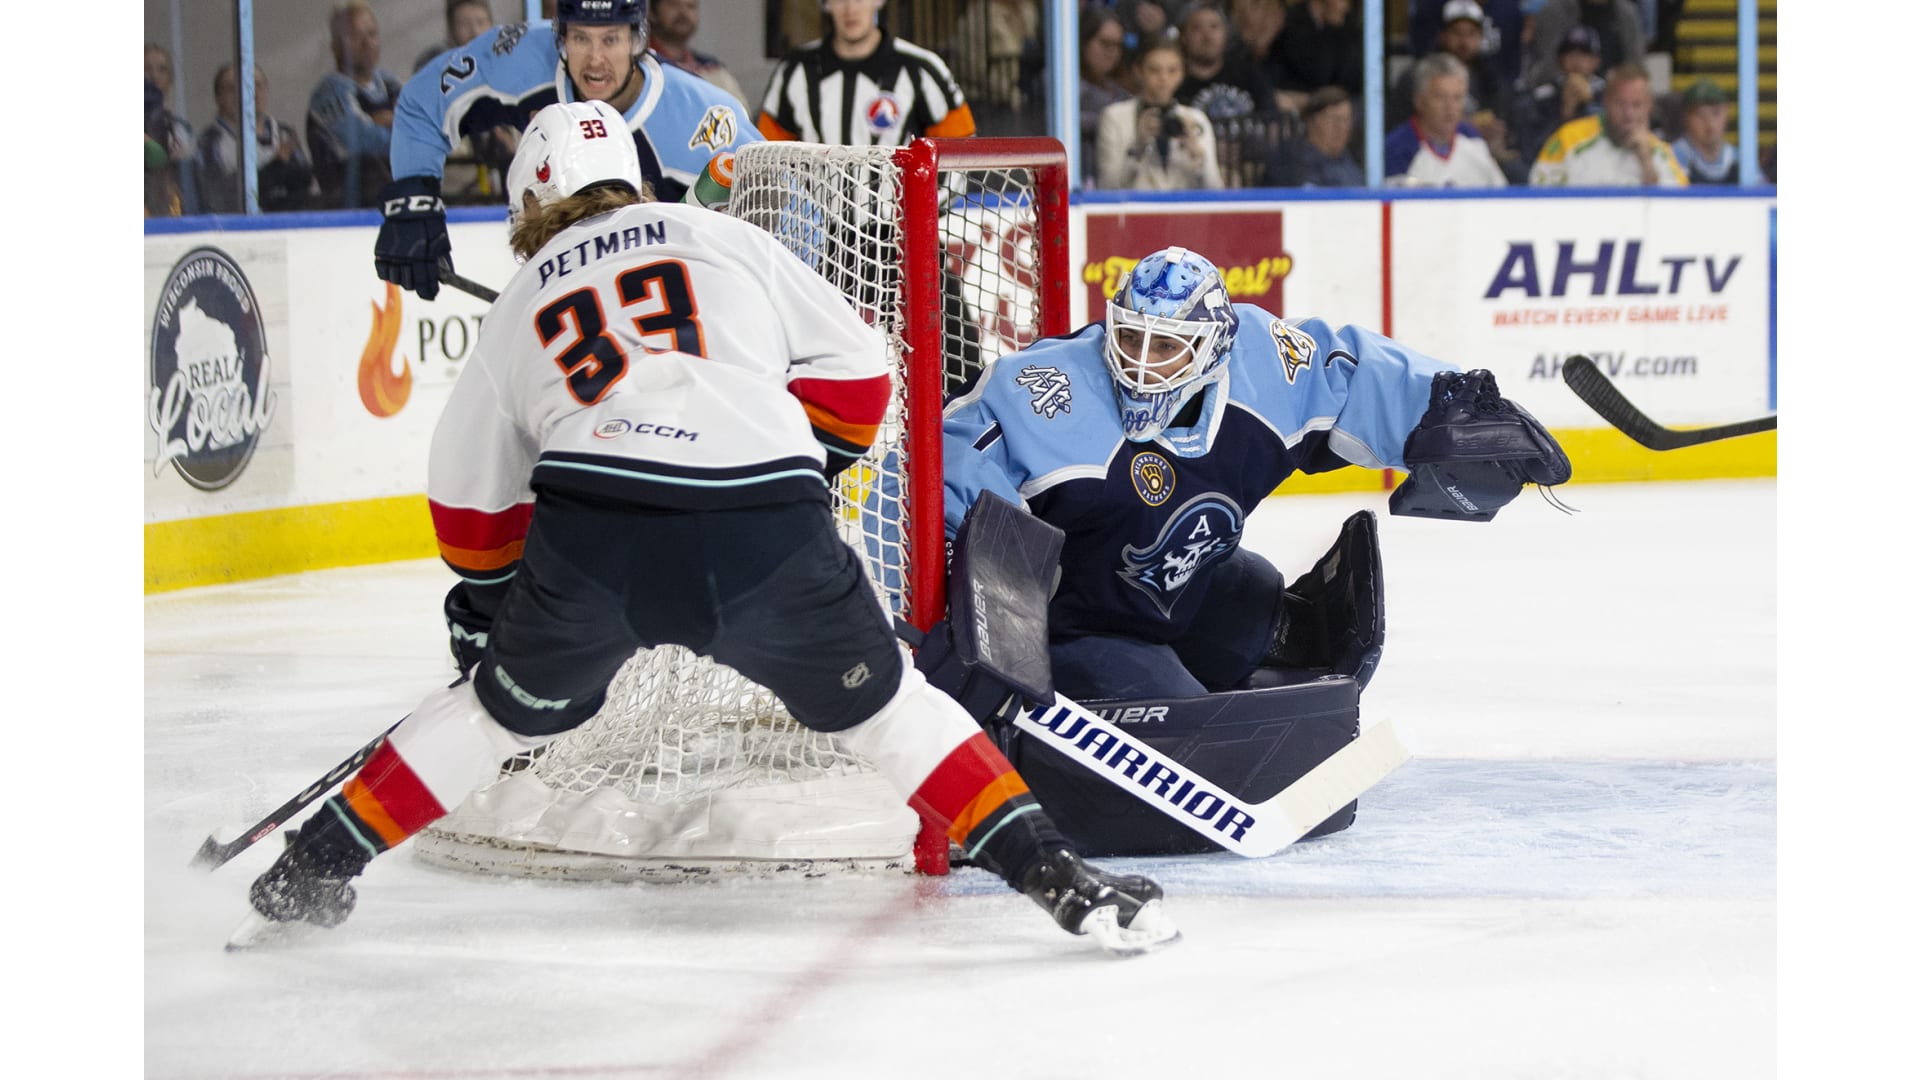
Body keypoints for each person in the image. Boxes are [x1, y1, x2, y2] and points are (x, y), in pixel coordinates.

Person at [232, 100, 1178, 957]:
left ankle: (307, 868)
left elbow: (471, 514)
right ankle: (1066, 881)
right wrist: (797, 465)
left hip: (595, 540)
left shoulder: (519, 304)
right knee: (892, 711)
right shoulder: (717, 236)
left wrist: (494, 612)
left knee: (489, 714)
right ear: (636, 175)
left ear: (528, 201)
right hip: (764, 523)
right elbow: (858, 378)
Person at [936, 247, 1568, 847]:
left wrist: (1453, 407)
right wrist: (984, 625)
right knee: (1187, 735)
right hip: (1077, 621)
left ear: (1214, 347)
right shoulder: (1046, 390)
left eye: (1168, 347)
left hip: (1185, 583)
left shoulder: (1266, 365)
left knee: (1261, 597)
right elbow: (950, 456)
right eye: (1130, 338)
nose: (1141, 363)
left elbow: (1354, 373)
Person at [378, 0, 760, 301]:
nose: (594, 59)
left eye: (610, 39)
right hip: (562, 290)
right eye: (580, 38)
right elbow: (423, 102)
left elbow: (782, 201)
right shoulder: (520, 57)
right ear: (559, 37)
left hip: (676, 301)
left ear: (637, 40)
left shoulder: (702, 118)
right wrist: (414, 205)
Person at [757, 0, 976, 146]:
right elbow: (766, 152)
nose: (850, 8)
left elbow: (961, 151)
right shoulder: (794, 71)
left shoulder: (922, 69)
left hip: (898, 217)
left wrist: (922, 209)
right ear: (826, 4)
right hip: (812, 216)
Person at [1388, 1, 1519, 179]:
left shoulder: (1490, 77)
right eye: (1457, 33)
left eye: (1457, 98)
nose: (1464, 42)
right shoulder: (1414, 77)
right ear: (1443, 35)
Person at [307, 2, 403, 210]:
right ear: (335, 47)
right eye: (355, 36)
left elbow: (425, 133)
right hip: (348, 212)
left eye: (372, 34)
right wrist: (397, 125)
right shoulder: (330, 91)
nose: (366, 43)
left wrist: (384, 122)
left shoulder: (390, 83)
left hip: (400, 205)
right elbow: (362, 139)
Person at [1095, 40, 1224, 191]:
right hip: (1135, 210)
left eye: (1172, 71)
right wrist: (1137, 146)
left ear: (1182, 74)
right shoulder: (1114, 118)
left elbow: (1215, 188)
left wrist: (1196, 153)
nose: (1163, 78)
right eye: (1154, 70)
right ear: (1139, 72)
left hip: (1184, 211)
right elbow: (1107, 186)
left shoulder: (1196, 119)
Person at [1530, 62, 1687, 186]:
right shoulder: (1568, 138)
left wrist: (1646, 162)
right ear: (1605, 102)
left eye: (1637, 105)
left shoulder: (1661, 153)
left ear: (1649, 107)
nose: (1629, 114)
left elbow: (1677, 211)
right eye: (1620, 104)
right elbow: (1539, 194)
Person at [195, 63, 317, 213]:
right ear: (218, 98)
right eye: (232, 88)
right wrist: (276, 168)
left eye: (256, 84)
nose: (248, 91)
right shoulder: (210, 143)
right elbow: (219, 199)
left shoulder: (283, 133)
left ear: (266, 91)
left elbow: (306, 186)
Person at [1382, 53, 1509, 187]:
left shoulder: (1472, 138)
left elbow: (1501, 193)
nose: (1450, 107)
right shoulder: (1396, 149)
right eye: (1440, 97)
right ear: (1419, 101)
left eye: (1457, 98)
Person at [1511, 24, 1606, 167]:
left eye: (1584, 54)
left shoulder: (1609, 95)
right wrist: (1565, 113)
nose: (1576, 60)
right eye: (1570, 53)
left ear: (1596, 61)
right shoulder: (1542, 97)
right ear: (1559, 60)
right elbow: (1533, 152)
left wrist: (1589, 105)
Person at [1522, 0, 1645, 92]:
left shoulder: (1627, 13)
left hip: (1616, 100)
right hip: (1561, 101)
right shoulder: (1555, 11)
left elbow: (1636, 68)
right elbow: (1545, 70)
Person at [647, 0, 750, 106]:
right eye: (674, 5)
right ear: (652, 12)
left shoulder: (713, 70)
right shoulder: (641, 65)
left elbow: (739, 114)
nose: (683, 12)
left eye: (690, 6)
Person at [1270, 0, 1364, 114]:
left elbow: (1354, 75)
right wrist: (1331, 29)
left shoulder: (1348, 22)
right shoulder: (1292, 21)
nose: (1345, 5)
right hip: (1299, 106)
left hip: (1341, 104)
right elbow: (1319, 72)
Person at [1263, 85, 1363, 187]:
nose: (1341, 127)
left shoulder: (1352, 159)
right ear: (1311, 122)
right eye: (1333, 119)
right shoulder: (1291, 159)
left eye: (1346, 120)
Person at [1079, 9, 1136, 177]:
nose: (1112, 53)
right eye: (1105, 43)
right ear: (1083, 43)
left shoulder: (1122, 94)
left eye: (1117, 46)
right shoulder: (1060, 85)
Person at [145, 43, 196, 216]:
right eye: (146, 68)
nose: (154, 76)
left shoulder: (181, 129)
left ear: (171, 79)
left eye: (162, 69)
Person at [1670, 80, 1736, 185]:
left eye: (1716, 113)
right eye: (1700, 114)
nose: (1709, 122)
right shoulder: (1671, 157)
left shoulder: (1738, 160)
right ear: (1686, 118)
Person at [413, 0, 496, 74]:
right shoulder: (433, 63)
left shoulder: (503, 58)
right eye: (465, 24)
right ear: (452, 29)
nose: (475, 31)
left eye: (481, 22)